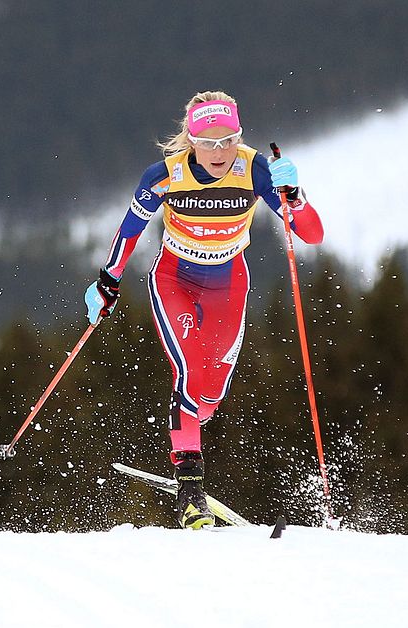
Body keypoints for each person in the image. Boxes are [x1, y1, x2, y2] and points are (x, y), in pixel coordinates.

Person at [85, 91, 323, 529]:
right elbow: (130, 229)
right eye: (208, 141)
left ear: (240, 137)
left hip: (229, 284)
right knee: (190, 371)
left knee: (211, 391)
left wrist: (297, 196)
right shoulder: (165, 176)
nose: (219, 151)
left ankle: (187, 430)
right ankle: (190, 490)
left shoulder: (254, 170)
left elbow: (311, 235)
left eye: (228, 139)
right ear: (190, 139)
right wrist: (107, 280)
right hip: (174, 279)